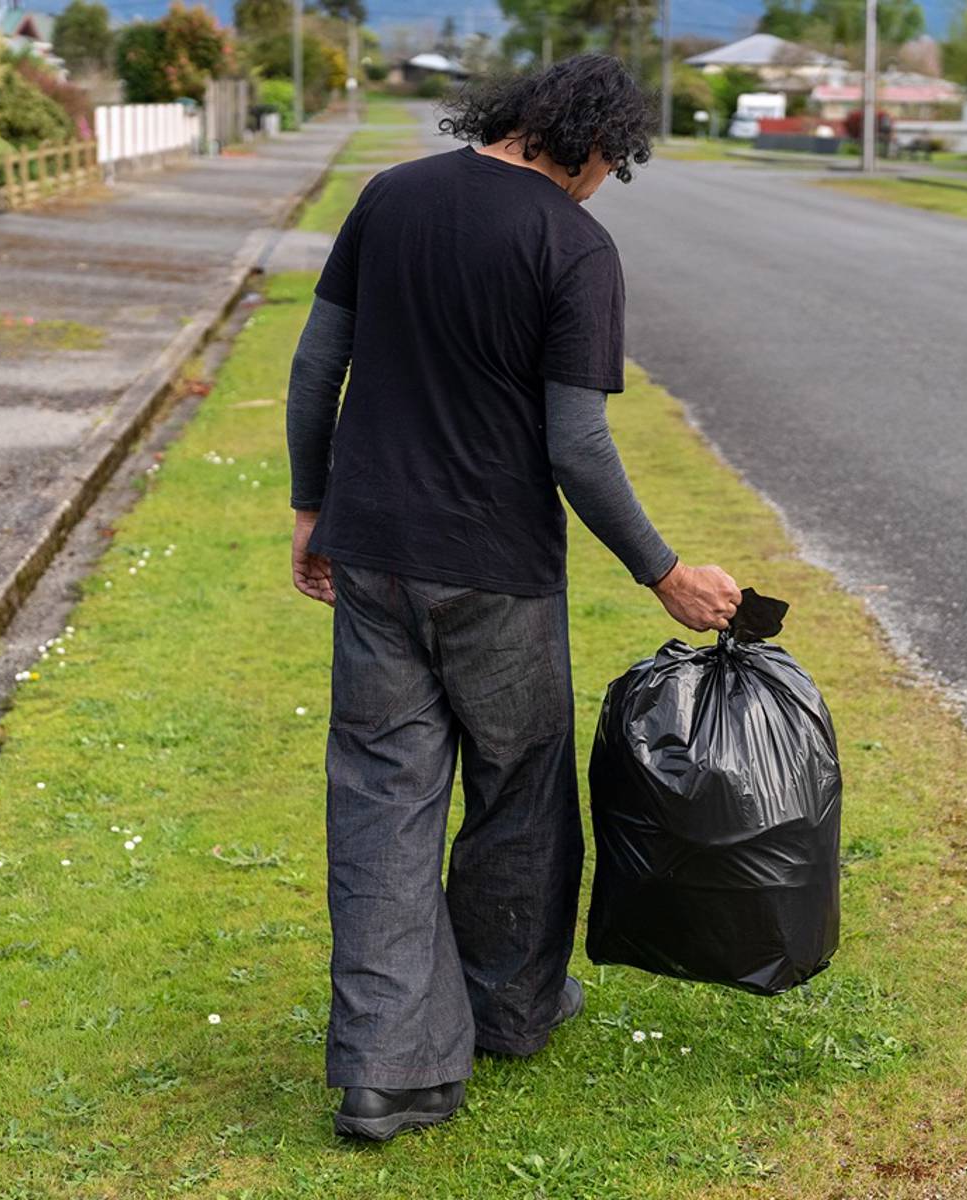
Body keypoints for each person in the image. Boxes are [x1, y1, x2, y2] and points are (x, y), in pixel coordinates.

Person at [284, 53, 741, 1143]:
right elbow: (575, 445)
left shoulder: (389, 195)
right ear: (588, 146)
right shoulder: (574, 246)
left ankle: (390, 1073)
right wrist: (664, 571)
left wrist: (313, 507)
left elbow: (315, 365)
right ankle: (506, 1009)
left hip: (377, 554)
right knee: (520, 794)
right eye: (609, 165)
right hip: (496, 573)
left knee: (384, 801)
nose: (601, 184)